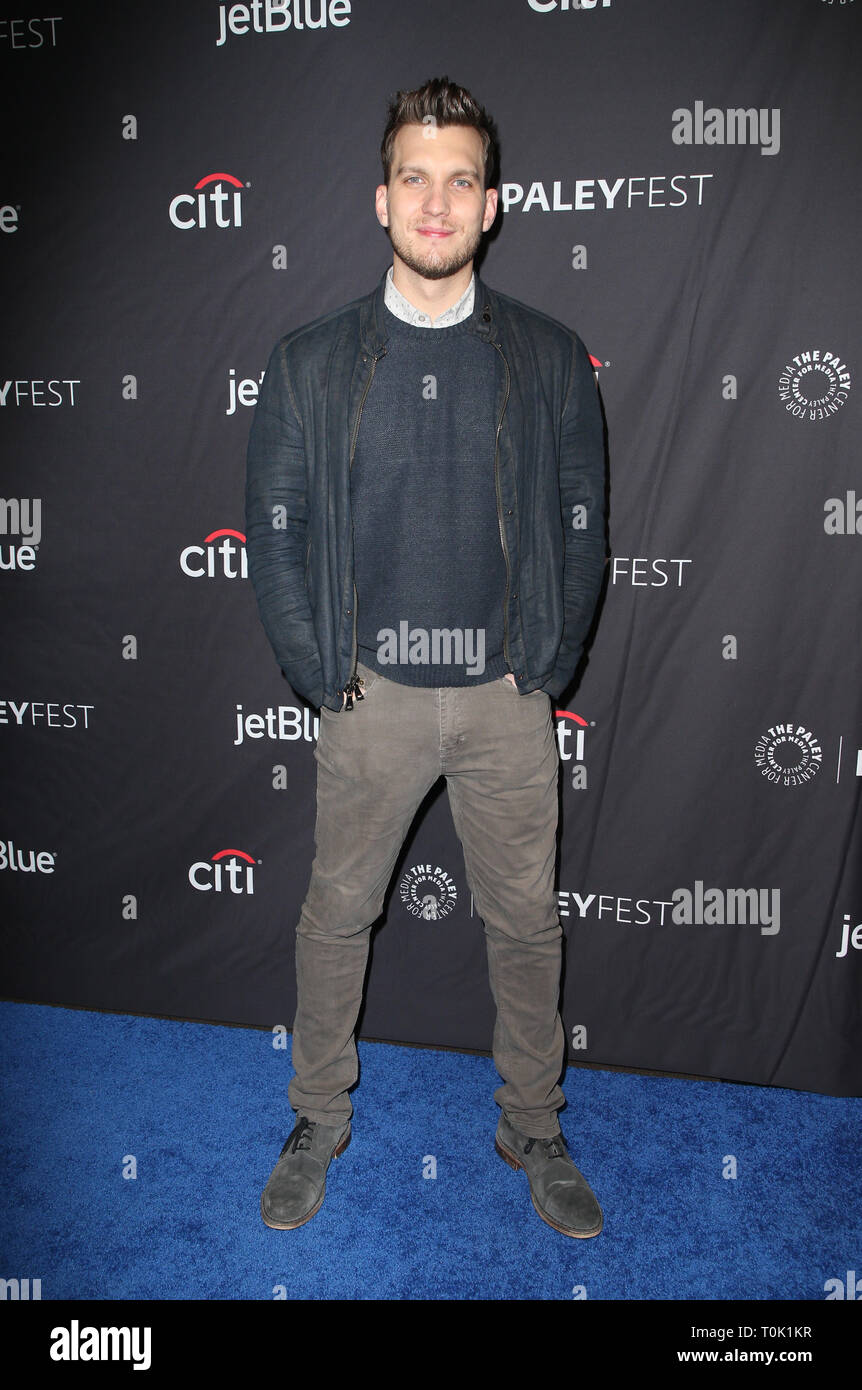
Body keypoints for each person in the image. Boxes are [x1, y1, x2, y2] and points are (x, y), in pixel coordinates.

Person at [245, 76, 607, 1239]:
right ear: (380, 197)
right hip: (372, 701)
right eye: (416, 176)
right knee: (334, 916)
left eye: (460, 180)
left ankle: (532, 1123)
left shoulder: (551, 356)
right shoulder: (309, 361)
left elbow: (582, 521)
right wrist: (317, 670)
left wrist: (545, 659)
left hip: (506, 701)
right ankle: (316, 1117)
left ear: (492, 205)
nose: (436, 202)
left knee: (526, 925)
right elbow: (279, 528)